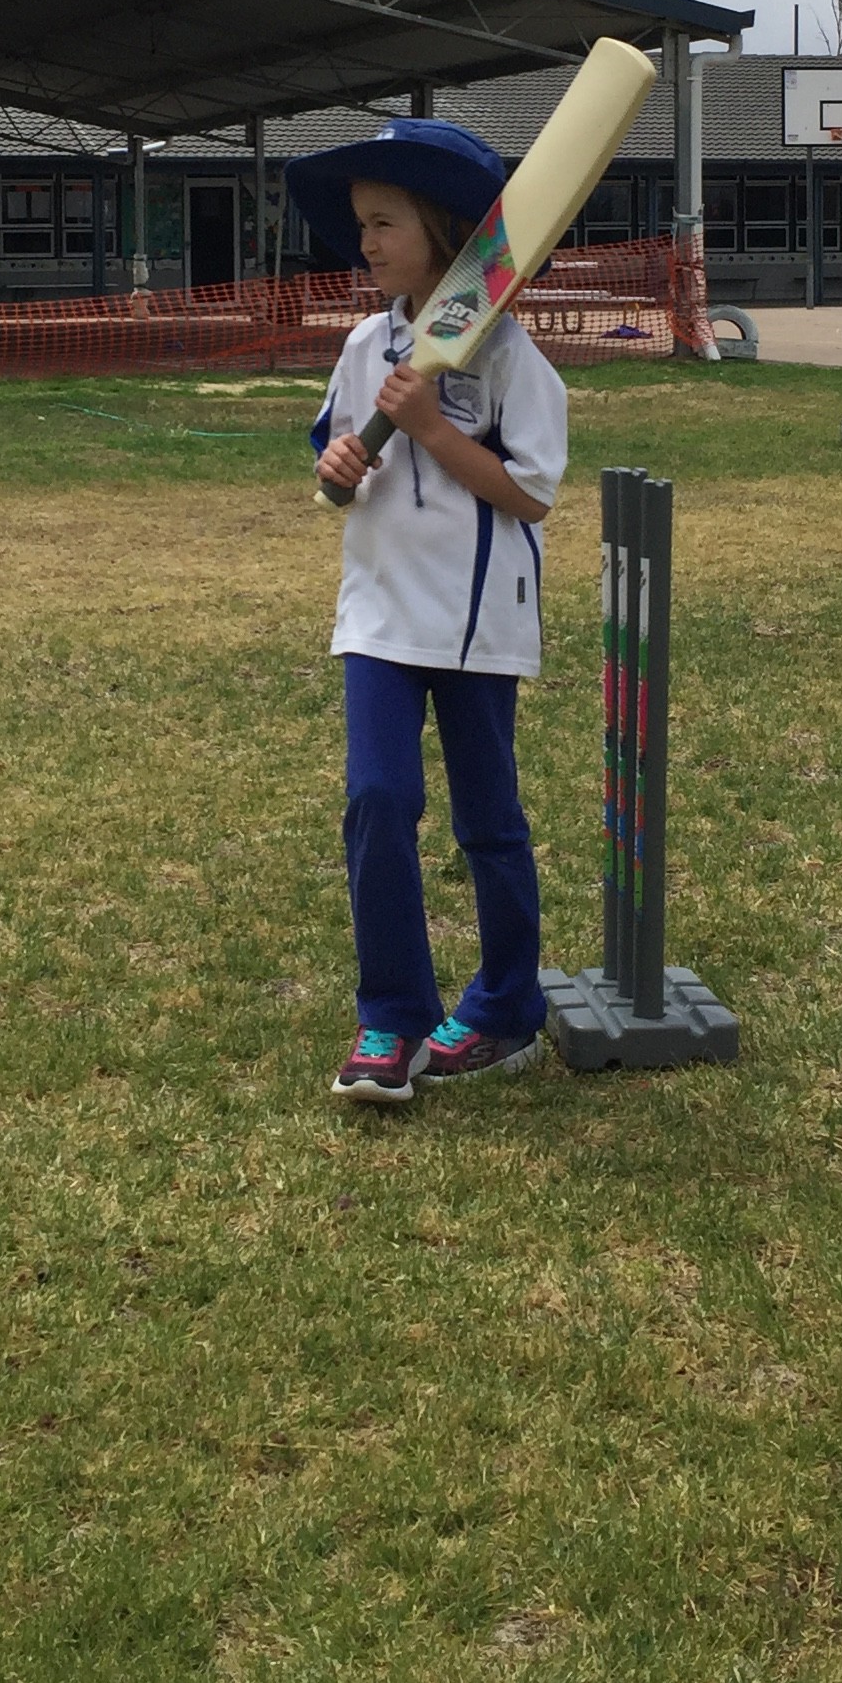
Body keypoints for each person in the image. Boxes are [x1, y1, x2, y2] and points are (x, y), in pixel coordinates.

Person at [288, 117, 570, 1109]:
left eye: (385, 222)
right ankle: (392, 1018)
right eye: (360, 223)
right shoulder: (365, 344)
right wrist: (340, 468)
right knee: (377, 800)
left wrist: (430, 430)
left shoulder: (509, 356)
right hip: (378, 614)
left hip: (477, 617)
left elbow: (530, 496)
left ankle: (505, 1008)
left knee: (487, 822)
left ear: (445, 233)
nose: (364, 242)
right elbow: (339, 462)